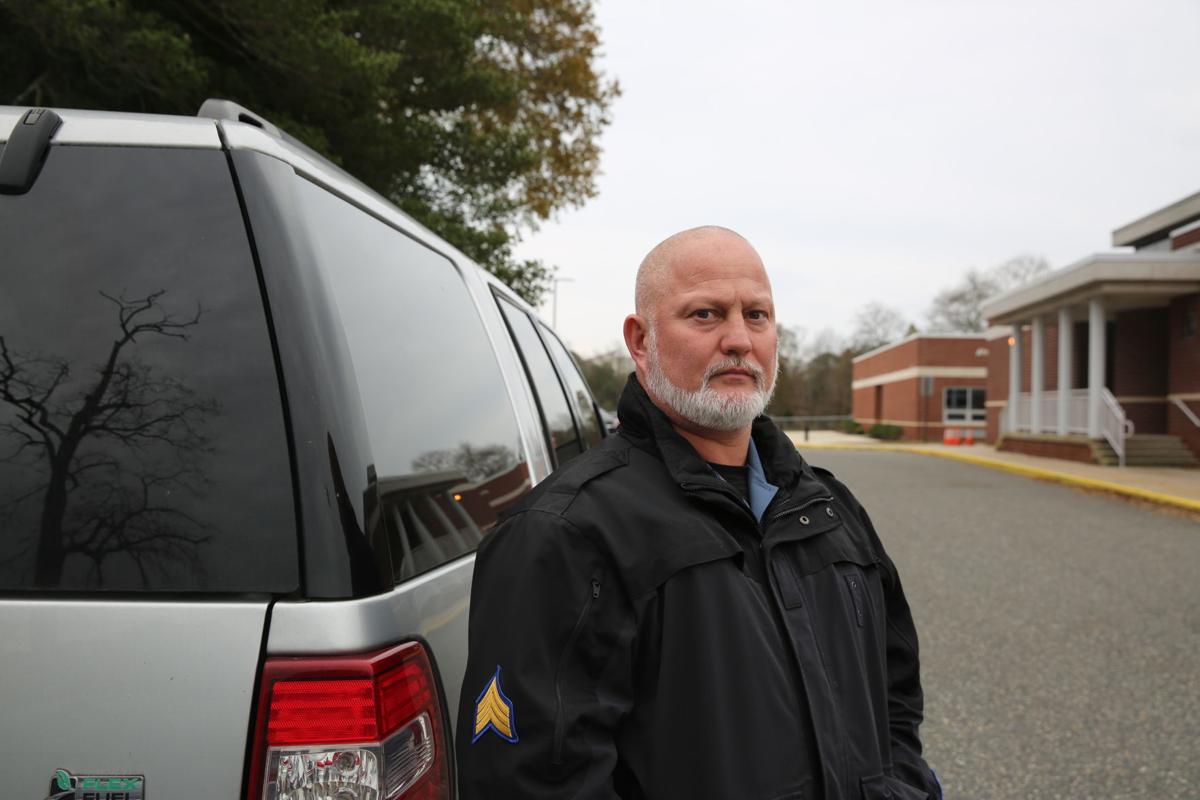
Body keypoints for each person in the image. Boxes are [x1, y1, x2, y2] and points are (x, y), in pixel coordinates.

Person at [457, 226, 941, 799]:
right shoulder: (567, 534)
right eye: (706, 314)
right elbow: (532, 781)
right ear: (641, 342)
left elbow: (895, 705)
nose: (739, 339)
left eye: (756, 315)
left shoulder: (830, 510)